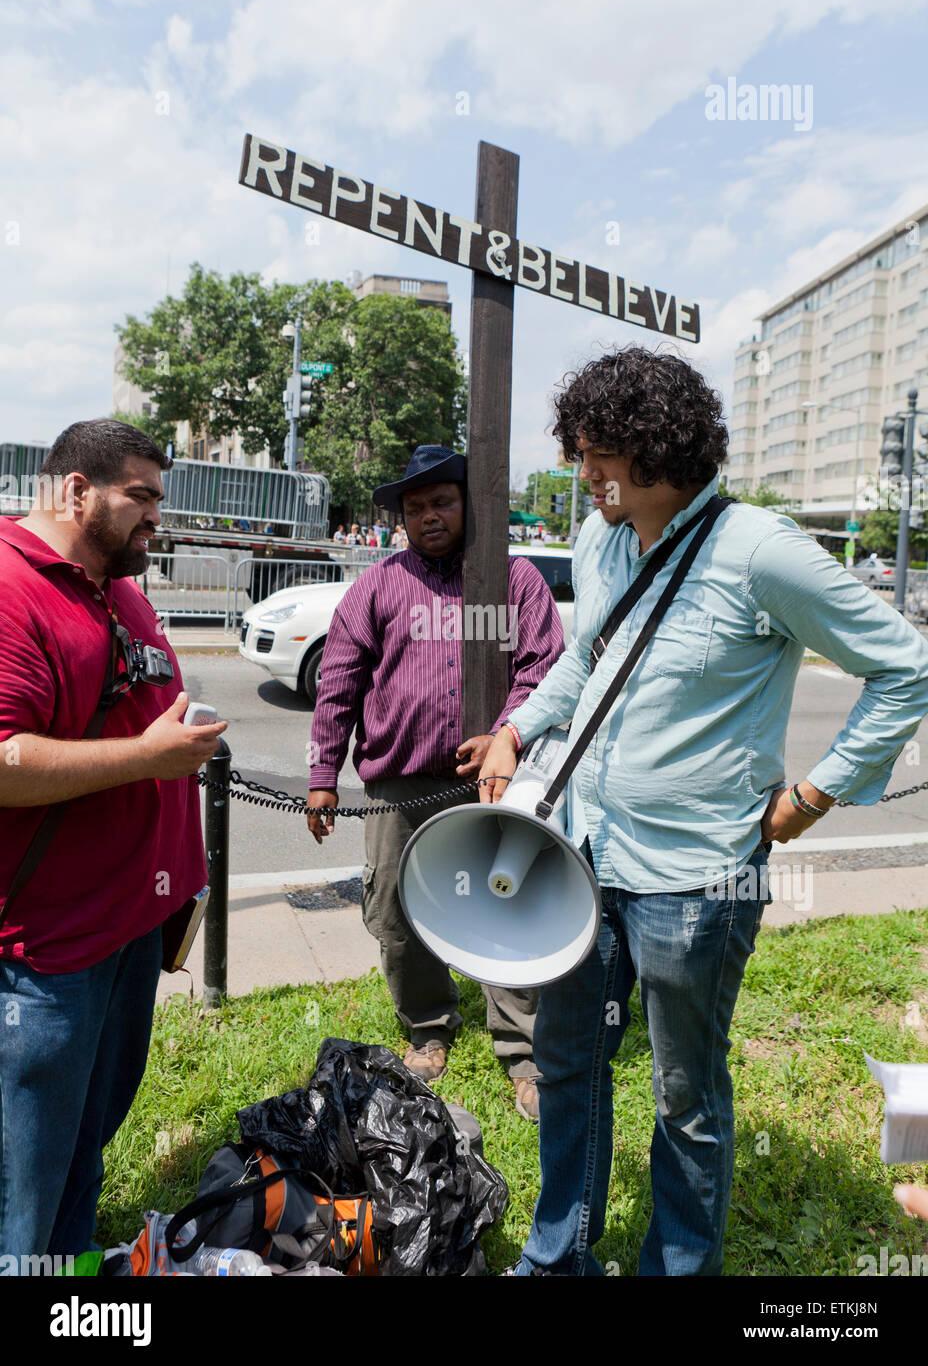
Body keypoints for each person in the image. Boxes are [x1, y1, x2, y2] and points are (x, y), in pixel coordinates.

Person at [480, 346, 928, 1275]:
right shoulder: (602, 538)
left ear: (657, 450)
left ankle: (677, 1266)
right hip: (584, 854)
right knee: (568, 1067)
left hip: (697, 878)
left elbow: (904, 666)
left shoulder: (759, 550)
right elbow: (586, 656)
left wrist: (815, 793)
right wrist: (518, 730)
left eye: (597, 452)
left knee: (684, 1091)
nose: (582, 471)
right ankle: (558, 1254)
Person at [0, 419, 227, 1265]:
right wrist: (148, 756)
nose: (155, 517)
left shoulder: (121, 585)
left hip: (131, 930)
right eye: (140, 496)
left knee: (83, 1145)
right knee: (25, 1175)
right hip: (51, 953)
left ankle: (68, 1275)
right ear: (74, 490)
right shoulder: (12, 587)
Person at [305, 446, 565, 1118]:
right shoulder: (378, 586)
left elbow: (545, 671)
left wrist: (506, 731)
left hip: (494, 783)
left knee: (507, 904)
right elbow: (338, 683)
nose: (427, 517)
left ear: (469, 504)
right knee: (396, 910)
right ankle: (428, 1024)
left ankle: (523, 1052)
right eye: (414, 508)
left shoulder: (516, 581)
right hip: (400, 787)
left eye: (441, 502)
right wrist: (322, 775)